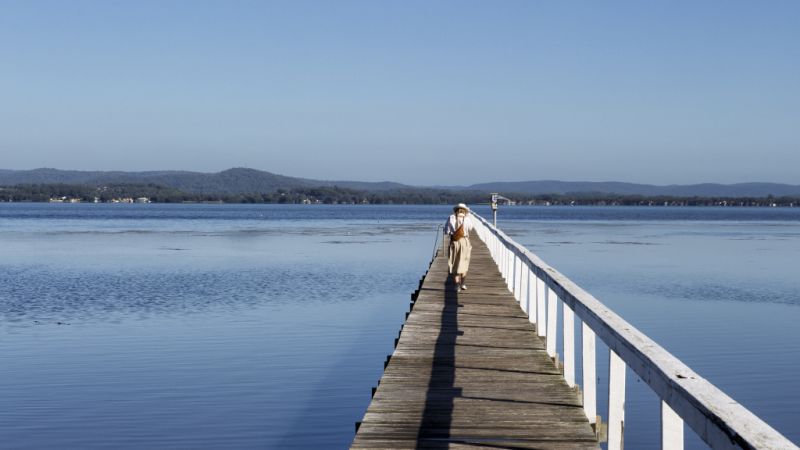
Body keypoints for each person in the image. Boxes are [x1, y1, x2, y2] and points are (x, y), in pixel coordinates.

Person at [445, 203, 474, 291]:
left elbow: (447, 231)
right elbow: (470, 229)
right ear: (465, 211)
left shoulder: (451, 218)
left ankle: (457, 285)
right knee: (464, 262)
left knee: (455, 263)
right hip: (464, 242)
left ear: (456, 210)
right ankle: (463, 284)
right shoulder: (467, 219)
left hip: (455, 242)